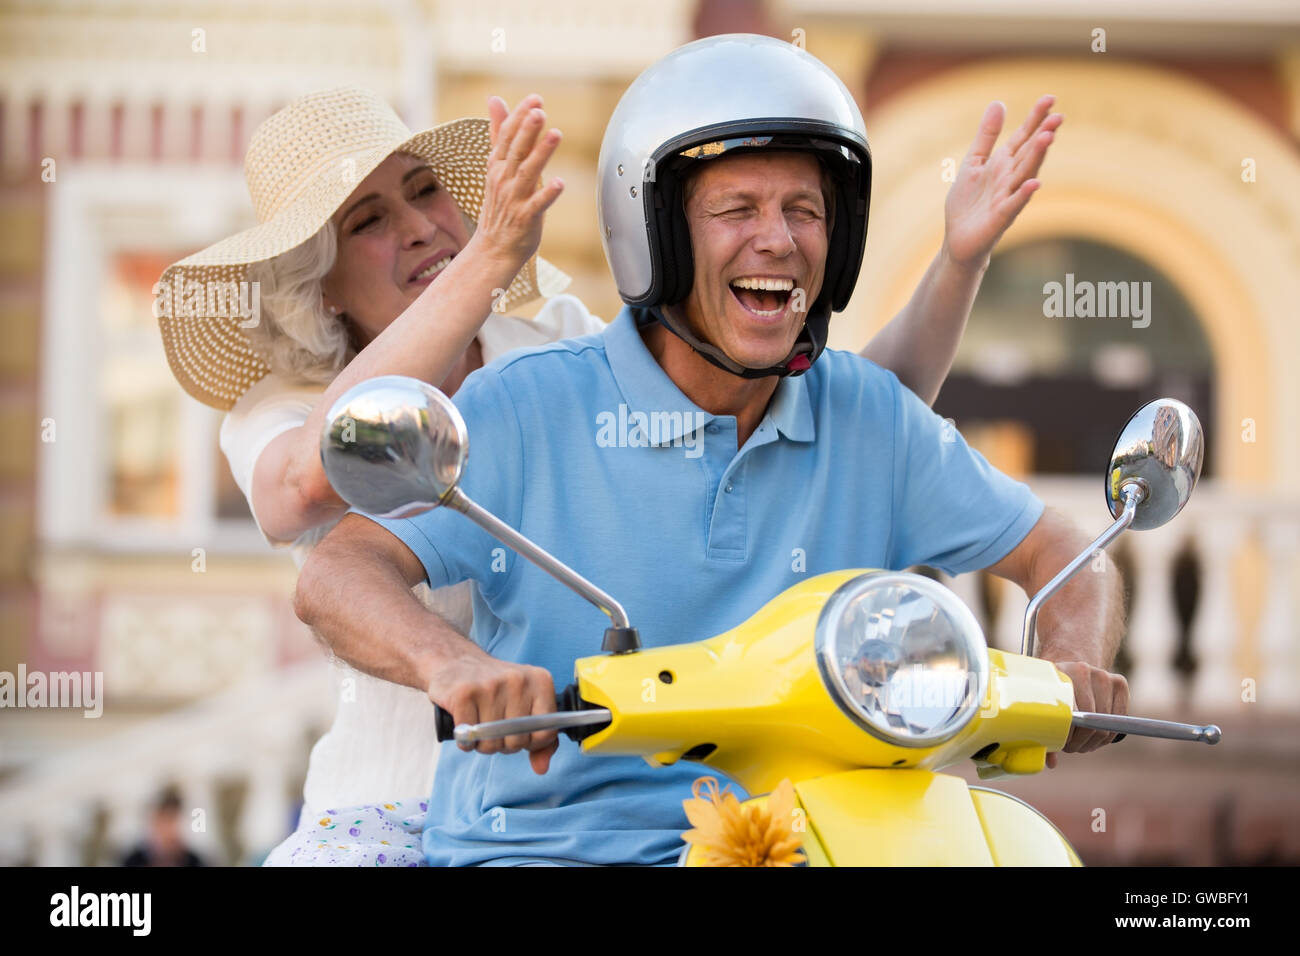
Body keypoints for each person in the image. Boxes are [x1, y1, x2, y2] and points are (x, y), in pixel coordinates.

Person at [293, 35, 1118, 868]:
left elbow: (1071, 553)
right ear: (657, 238)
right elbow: (338, 573)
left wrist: (1072, 662)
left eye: (806, 210)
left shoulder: (872, 417)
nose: (780, 240)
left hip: (818, 846)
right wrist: (452, 664)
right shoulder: (528, 403)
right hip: (552, 850)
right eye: (738, 210)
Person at [120, 786, 205, 867]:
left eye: (173, 819)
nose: (169, 828)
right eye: (164, 819)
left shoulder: (194, 861)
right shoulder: (133, 860)